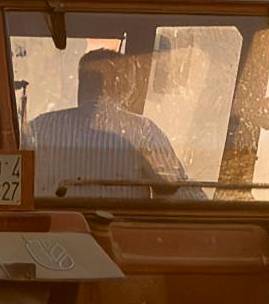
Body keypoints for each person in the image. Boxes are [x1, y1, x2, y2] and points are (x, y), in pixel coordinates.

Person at [23, 38, 189, 197]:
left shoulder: (38, 128)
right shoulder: (142, 130)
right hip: (121, 225)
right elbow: (172, 186)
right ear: (119, 84)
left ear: (82, 84)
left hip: (53, 225)